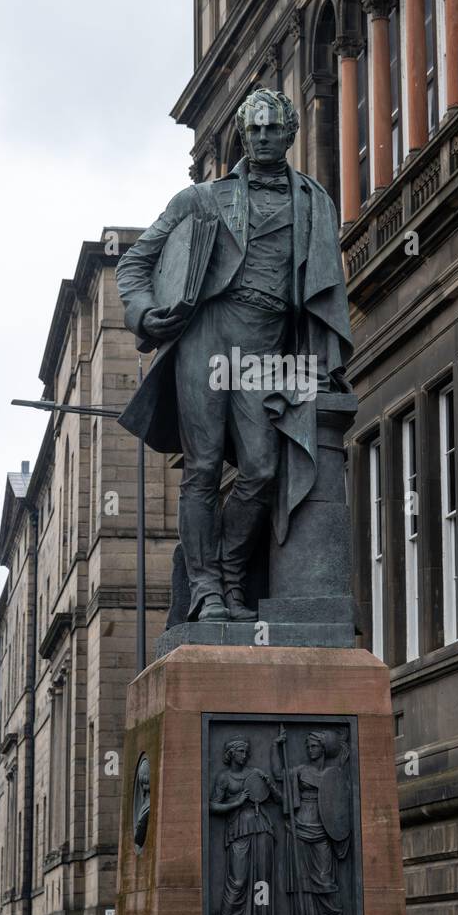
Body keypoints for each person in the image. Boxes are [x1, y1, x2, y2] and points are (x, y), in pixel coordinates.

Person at [115, 88, 353, 623]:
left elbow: (322, 291)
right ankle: (206, 590)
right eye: (255, 129)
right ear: (243, 135)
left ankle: (227, 572)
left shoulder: (313, 201)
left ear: (291, 133)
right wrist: (146, 316)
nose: (264, 137)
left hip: (268, 347)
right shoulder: (200, 198)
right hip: (208, 337)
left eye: (273, 129)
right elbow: (134, 265)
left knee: (262, 469)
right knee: (200, 468)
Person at [270, 728, 351, 915]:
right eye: (307, 746)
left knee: (325, 881)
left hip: (323, 829)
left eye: (314, 746)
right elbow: (278, 775)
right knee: (301, 884)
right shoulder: (299, 771)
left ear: (323, 749)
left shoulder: (333, 774)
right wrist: (275, 746)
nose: (309, 749)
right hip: (298, 829)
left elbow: (340, 807)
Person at [209, 737, 281, 915]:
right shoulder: (224, 778)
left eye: (246, 751)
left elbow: (279, 800)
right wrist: (236, 802)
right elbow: (213, 805)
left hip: (262, 828)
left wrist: (270, 785)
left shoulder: (256, 774)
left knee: (262, 882)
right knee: (238, 881)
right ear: (231, 753)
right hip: (238, 829)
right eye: (241, 751)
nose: (245, 755)